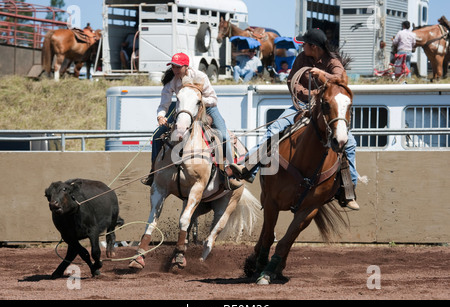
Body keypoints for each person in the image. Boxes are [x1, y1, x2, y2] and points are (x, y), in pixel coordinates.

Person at [229, 28, 360, 210]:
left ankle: (348, 189)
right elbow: (292, 81)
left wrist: (323, 76)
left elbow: (341, 79)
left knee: (350, 144)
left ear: (313, 46)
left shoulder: (333, 62)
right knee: (275, 129)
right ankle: (249, 166)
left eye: (304, 44)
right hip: (303, 105)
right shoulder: (301, 59)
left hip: (327, 110)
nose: (302, 46)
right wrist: (310, 93)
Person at [141, 52, 242, 190]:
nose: (174, 70)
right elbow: (164, 103)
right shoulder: (172, 81)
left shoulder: (200, 76)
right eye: (173, 67)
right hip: (182, 110)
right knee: (157, 135)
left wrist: (198, 101)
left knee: (224, 136)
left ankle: (228, 173)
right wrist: (161, 116)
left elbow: (213, 98)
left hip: (208, 108)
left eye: (178, 67)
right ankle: (153, 171)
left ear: (186, 67)